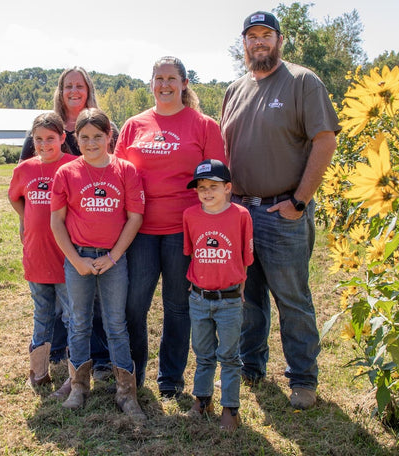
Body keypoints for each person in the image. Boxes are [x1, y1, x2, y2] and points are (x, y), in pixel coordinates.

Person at [220, 11, 341, 410]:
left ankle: (303, 378)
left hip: (281, 212)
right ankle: (253, 367)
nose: (259, 42)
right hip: (239, 212)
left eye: (266, 35)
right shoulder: (234, 89)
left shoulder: (302, 82)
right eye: (252, 36)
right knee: (248, 299)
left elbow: (324, 140)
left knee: (292, 300)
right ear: (244, 44)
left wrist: (299, 201)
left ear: (279, 40)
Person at [115, 56, 225, 396]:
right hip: (140, 231)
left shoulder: (204, 126)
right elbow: (116, 174)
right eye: (159, 78)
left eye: (171, 78)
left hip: (184, 231)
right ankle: (133, 374)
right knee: (134, 305)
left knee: (177, 306)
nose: (165, 84)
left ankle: (171, 379)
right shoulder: (134, 126)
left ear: (184, 83)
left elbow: (218, 179)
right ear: (151, 83)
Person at [20, 67, 114, 390]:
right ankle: (57, 355)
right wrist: (25, 222)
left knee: (90, 299)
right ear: (60, 91)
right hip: (51, 234)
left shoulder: (98, 125)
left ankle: (98, 358)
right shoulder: (47, 127)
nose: (74, 90)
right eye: (68, 86)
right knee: (54, 300)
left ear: (88, 89)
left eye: (80, 85)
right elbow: (23, 184)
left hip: (89, 232)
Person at [50, 108, 146, 420]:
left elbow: (135, 217)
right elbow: (57, 222)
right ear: (75, 139)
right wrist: (76, 260)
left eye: (98, 136)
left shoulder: (126, 171)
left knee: (116, 323)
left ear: (109, 137)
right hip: (79, 255)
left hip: (112, 257)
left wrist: (114, 256)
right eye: (85, 137)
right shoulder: (66, 173)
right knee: (78, 321)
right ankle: (79, 386)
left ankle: (125, 392)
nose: (91, 143)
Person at [8, 113, 77, 391]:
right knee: (42, 314)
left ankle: (76, 374)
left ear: (62, 138)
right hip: (36, 255)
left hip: (66, 255)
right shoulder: (24, 169)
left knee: (72, 314)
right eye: (38, 139)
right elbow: (14, 197)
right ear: (32, 140)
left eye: (51, 138)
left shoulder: (73, 166)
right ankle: (38, 371)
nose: (45, 144)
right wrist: (27, 221)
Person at [182, 159, 253, 431]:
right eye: (201, 187)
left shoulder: (240, 215)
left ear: (228, 188)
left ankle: (230, 407)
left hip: (230, 300)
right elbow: (191, 253)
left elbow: (245, 258)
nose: (207, 192)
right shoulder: (190, 215)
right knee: (202, 353)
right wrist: (196, 284)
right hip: (199, 298)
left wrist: (240, 285)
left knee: (230, 354)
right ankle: (202, 399)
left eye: (213, 186)